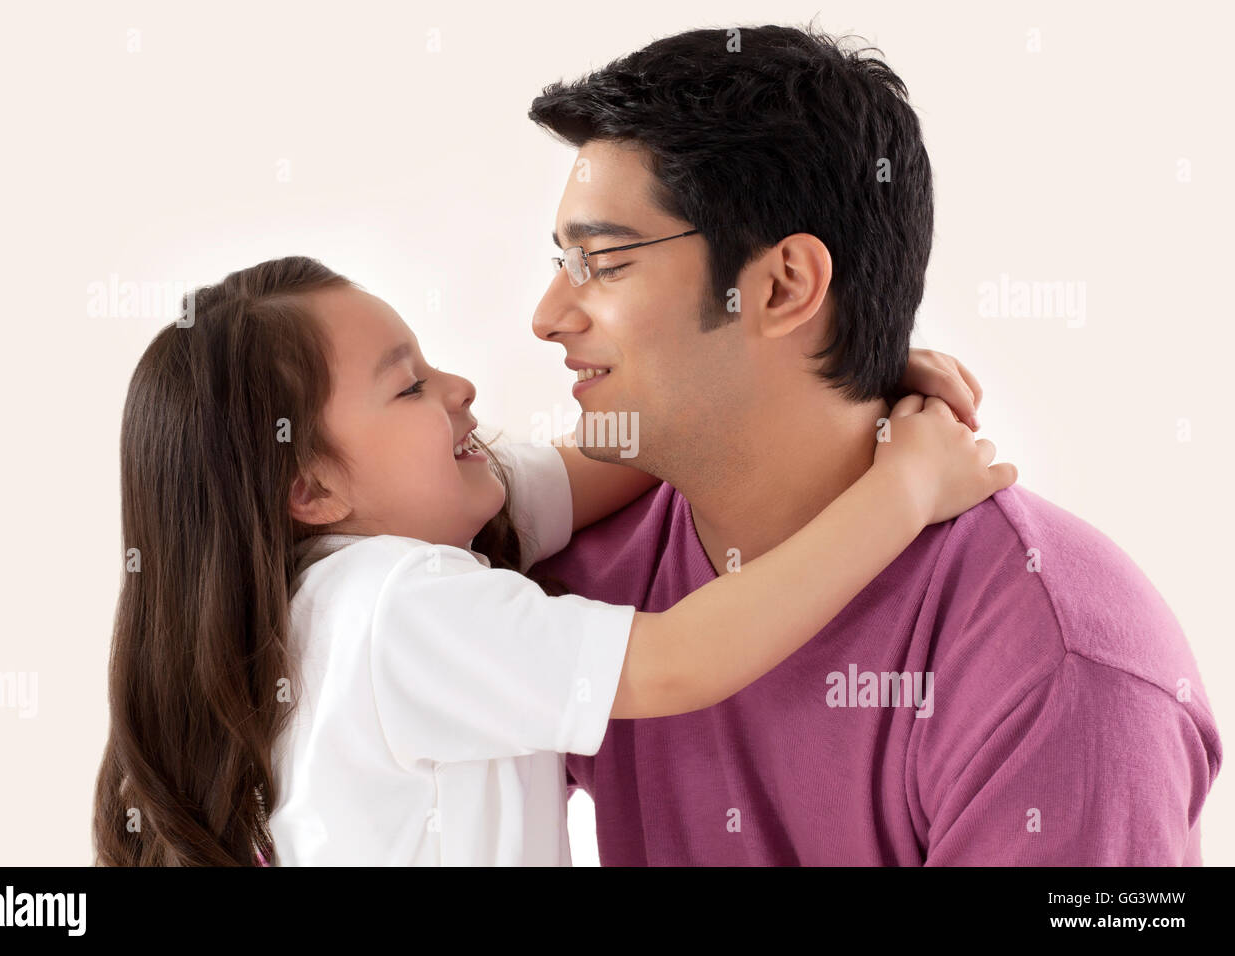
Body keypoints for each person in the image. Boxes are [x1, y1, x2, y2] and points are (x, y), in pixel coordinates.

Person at [527, 24, 1221, 865]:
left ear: (782, 287)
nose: (548, 317)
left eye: (603, 262)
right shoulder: (568, 584)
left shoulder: (1058, 667)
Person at [92, 255, 1012, 866]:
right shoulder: (397, 603)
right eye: (409, 386)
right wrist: (907, 489)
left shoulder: (356, 567)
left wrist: (832, 385)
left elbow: (614, 454)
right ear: (312, 492)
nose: (461, 389)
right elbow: (677, 660)